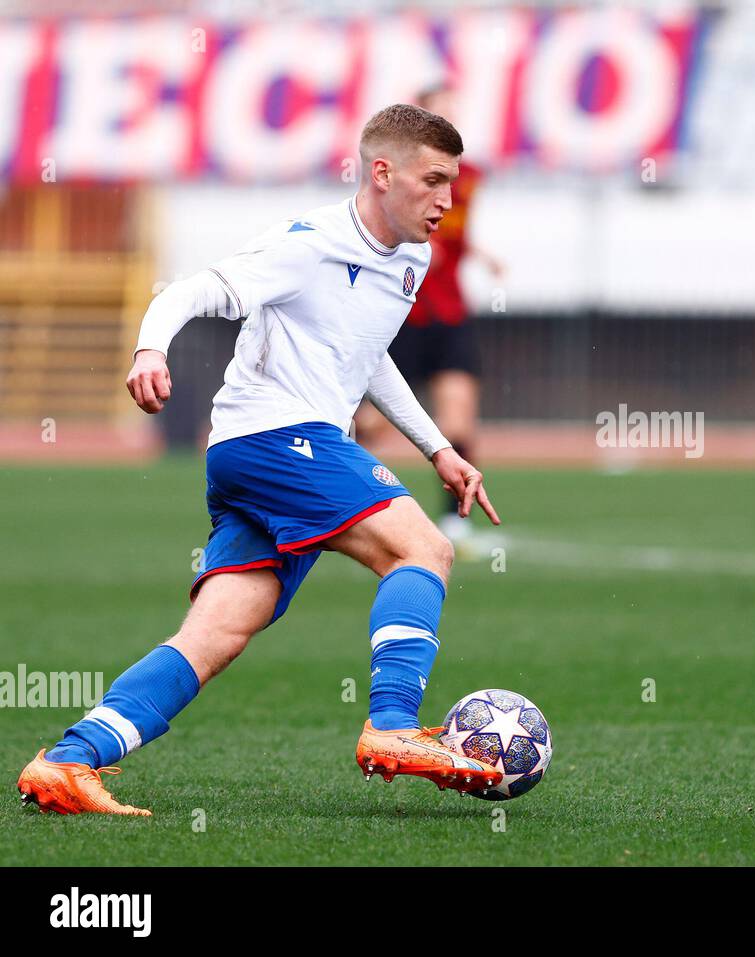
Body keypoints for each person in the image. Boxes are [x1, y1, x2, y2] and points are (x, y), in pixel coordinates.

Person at [17, 104, 503, 816]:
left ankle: (69, 759)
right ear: (382, 172)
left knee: (217, 632)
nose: (447, 202)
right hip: (277, 439)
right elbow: (193, 290)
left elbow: (368, 359)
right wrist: (151, 348)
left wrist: (438, 449)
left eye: (452, 184)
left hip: (262, 458)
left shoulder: (412, 257)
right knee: (422, 550)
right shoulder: (306, 244)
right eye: (433, 181)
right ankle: (394, 725)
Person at [354, 84, 502, 545]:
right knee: (374, 424)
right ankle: (316, 480)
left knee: (458, 417)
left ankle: (454, 522)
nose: (452, 117)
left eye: (455, 110)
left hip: (451, 309)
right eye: (442, 111)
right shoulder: (395, 174)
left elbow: (452, 231)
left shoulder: (469, 175)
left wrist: (476, 253)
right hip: (407, 312)